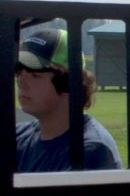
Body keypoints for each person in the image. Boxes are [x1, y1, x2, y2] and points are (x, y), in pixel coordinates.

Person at [14, 26, 120, 173]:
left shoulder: (90, 150)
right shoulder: (19, 136)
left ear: (68, 83)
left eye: (35, 75)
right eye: (18, 73)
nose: (21, 82)